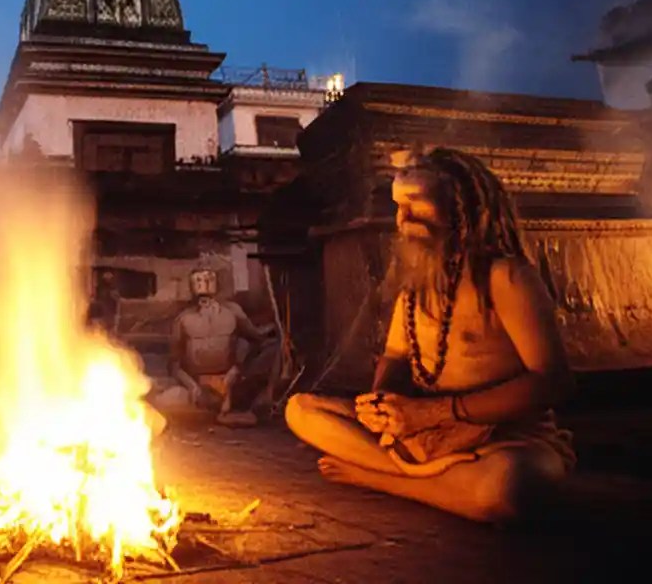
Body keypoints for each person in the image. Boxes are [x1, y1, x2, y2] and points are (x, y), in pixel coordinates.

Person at [284, 148, 576, 523]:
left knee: (507, 489)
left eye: (416, 204)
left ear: (461, 206)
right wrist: (381, 406)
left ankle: (385, 479)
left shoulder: (506, 276)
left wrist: (435, 412)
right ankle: (436, 481)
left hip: (504, 436)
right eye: (397, 206)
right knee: (302, 410)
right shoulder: (415, 283)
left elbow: (553, 382)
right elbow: (394, 357)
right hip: (421, 433)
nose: (402, 219)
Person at [162, 268, 280, 426]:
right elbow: (174, 364)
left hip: (230, 382)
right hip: (197, 384)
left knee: (273, 349)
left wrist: (237, 368)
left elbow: (256, 339)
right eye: (198, 280)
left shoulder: (232, 312)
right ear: (191, 285)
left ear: (217, 283)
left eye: (208, 279)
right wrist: (192, 386)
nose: (203, 284)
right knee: (163, 404)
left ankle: (248, 406)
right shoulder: (183, 320)